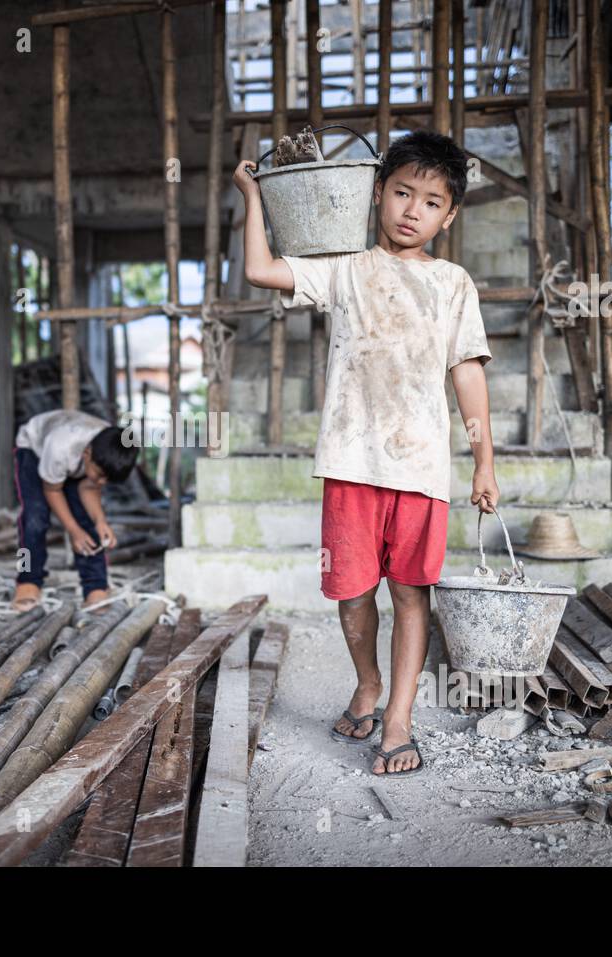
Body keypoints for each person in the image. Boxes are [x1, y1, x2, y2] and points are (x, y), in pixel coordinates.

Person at [232, 129, 499, 776]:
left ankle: (399, 719)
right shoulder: (347, 268)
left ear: (450, 215)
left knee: (411, 594)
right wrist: (252, 196)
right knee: (353, 596)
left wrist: (484, 458)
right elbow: (261, 271)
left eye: (432, 201)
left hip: (422, 467)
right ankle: (369, 682)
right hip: (350, 462)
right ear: (378, 193)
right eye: (403, 192)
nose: (414, 210)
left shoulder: (453, 284)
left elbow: (467, 373)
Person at [10, 410, 139, 612]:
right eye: (100, 475)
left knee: (88, 521)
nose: (102, 483)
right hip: (33, 448)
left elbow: (89, 487)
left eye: (107, 480)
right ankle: (27, 580)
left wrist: (100, 521)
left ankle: (95, 586)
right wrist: (73, 530)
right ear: (87, 455)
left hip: (73, 460)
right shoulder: (61, 447)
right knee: (33, 519)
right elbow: (52, 490)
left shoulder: (108, 449)